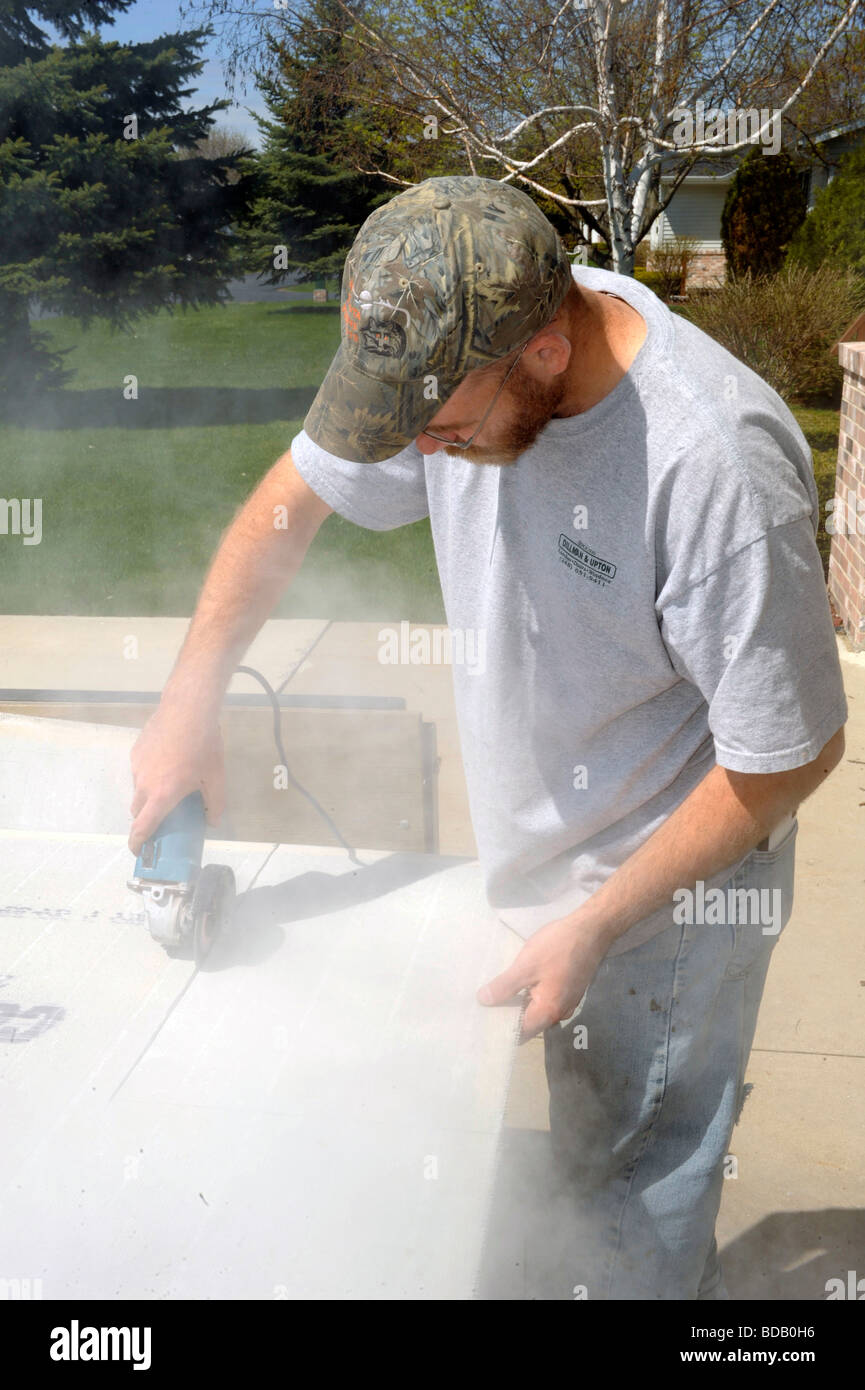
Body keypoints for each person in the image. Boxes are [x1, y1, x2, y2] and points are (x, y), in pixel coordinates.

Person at [129, 175, 847, 1300]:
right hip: (555, 855)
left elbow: (787, 752)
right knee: (580, 1164)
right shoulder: (465, 344)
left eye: (442, 431)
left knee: (633, 1198)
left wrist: (595, 923)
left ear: (546, 356)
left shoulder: (715, 467)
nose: (420, 449)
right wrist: (188, 701)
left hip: (669, 908)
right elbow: (291, 502)